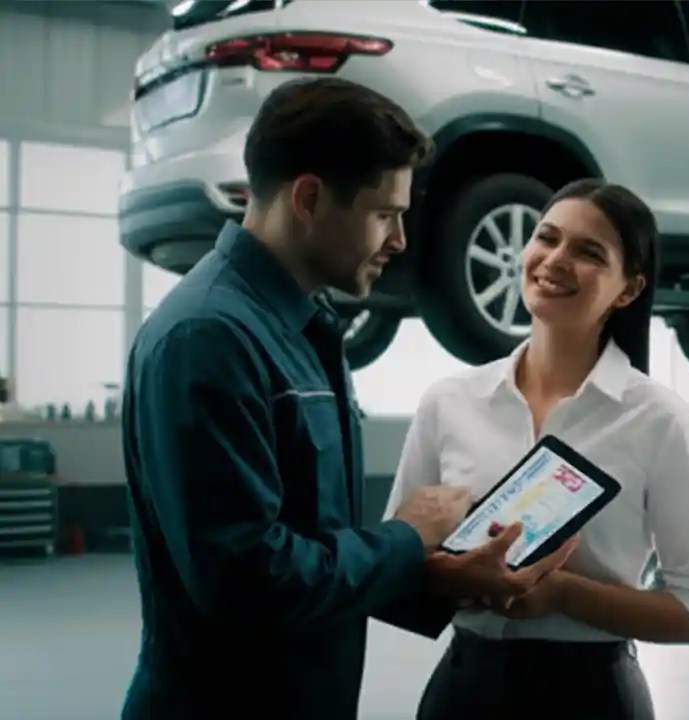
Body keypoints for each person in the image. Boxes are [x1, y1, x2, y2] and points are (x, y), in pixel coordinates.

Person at [119, 77, 574, 720]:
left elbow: (311, 547)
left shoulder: (302, 326)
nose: (400, 241)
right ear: (309, 198)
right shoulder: (209, 337)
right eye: (385, 214)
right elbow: (246, 581)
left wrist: (439, 575)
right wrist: (407, 539)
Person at [386, 178, 689, 719]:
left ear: (628, 290)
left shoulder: (658, 419)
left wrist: (562, 595)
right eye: (546, 238)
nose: (554, 259)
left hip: (592, 696)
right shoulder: (449, 402)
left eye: (589, 252)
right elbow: (395, 562)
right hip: (463, 690)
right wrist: (454, 577)